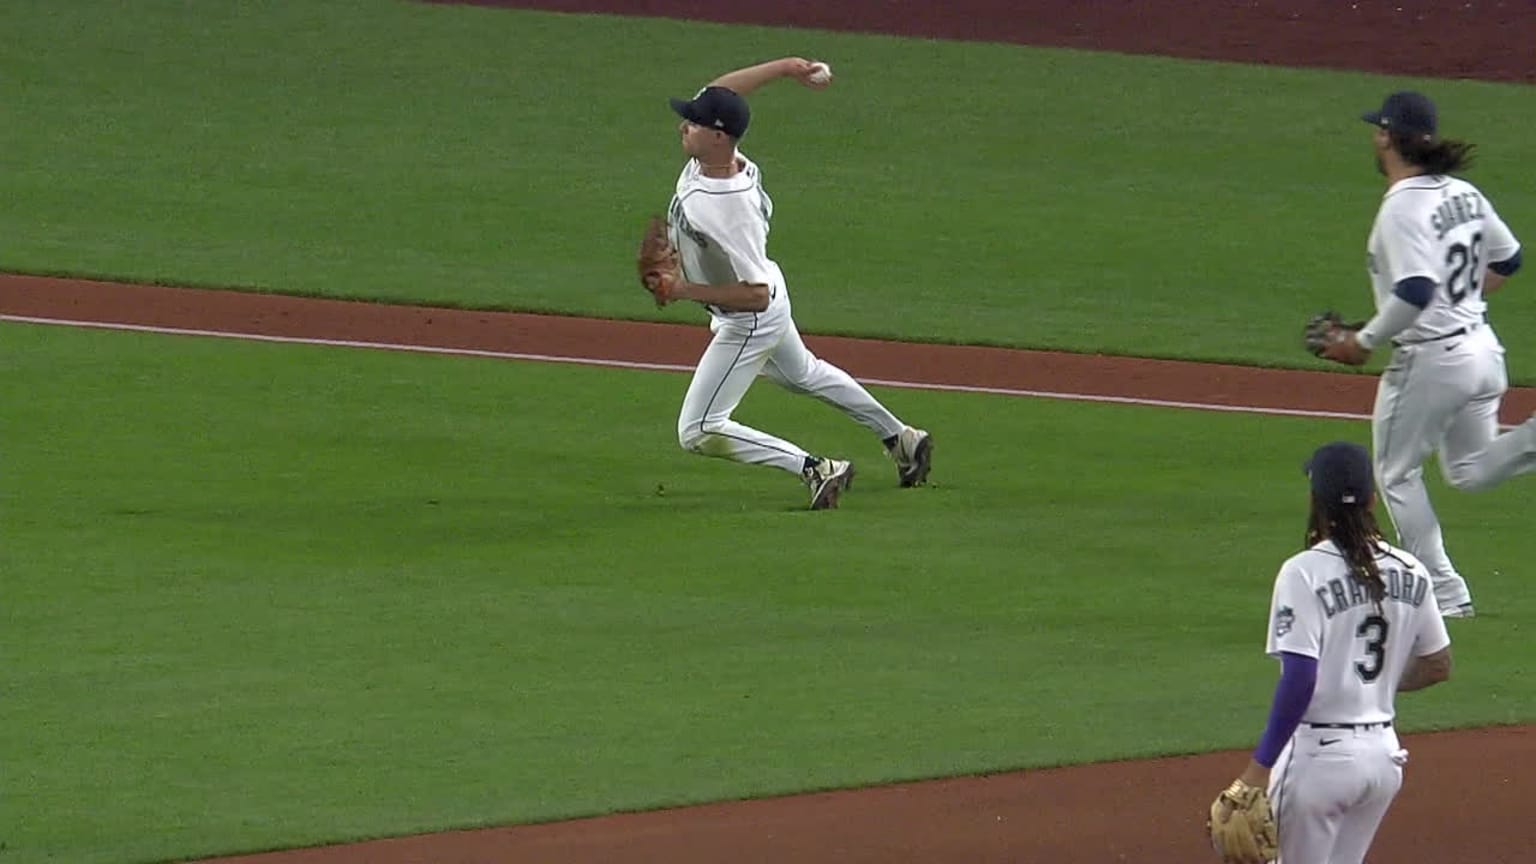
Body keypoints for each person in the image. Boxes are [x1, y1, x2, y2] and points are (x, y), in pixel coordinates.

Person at [648, 58, 932, 509]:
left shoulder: (727, 208)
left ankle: (815, 468)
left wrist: (682, 289)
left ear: (718, 136)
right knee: (805, 374)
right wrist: (785, 68)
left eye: (695, 122)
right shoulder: (724, 156)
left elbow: (755, 295)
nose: (684, 125)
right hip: (768, 296)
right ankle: (903, 439)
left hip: (750, 318)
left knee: (699, 429)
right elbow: (722, 91)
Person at [1318, 90, 1529, 617]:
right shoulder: (1463, 191)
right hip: (1482, 351)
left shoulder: (1401, 208)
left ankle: (1446, 594)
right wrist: (1462, 302)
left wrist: (1361, 341)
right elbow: (1510, 259)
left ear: (1389, 137)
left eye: (1377, 130)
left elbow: (1414, 289)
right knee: (1470, 470)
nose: (1373, 137)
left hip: (1432, 362)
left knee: (1395, 474)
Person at [1215, 441, 1451, 864]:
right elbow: (1438, 664)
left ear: (1314, 500)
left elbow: (1300, 678)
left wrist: (1258, 769)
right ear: (1372, 500)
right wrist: (1372, 685)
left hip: (1319, 761)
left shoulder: (1303, 571)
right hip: (1383, 760)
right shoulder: (1412, 570)